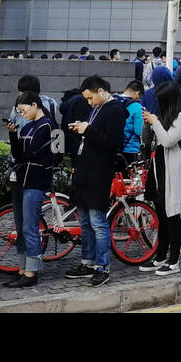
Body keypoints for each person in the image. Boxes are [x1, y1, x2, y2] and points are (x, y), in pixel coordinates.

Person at [65, 75, 126, 286]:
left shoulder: (115, 110)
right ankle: (88, 261)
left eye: (91, 98)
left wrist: (87, 130)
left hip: (99, 174)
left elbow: (112, 142)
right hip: (84, 171)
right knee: (84, 222)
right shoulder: (98, 109)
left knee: (98, 223)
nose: (89, 102)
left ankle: (102, 266)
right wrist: (84, 127)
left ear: (101, 91)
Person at [4, 92, 55, 288]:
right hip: (22, 180)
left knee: (30, 227)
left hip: (35, 180)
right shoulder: (30, 125)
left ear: (35, 105)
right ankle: (22, 269)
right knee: (21, 227)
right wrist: (12, 133)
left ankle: (31, 272)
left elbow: (31, 153)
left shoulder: (46, 125)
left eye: (23, 110)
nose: (22, 114)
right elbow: (19, 153)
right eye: (19, 111)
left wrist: (21, 151)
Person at [141, 80, 181, 275]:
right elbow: (151, 141)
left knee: (172, 216)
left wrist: (156, 123)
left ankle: (174, 261)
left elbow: (169, 140)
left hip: (172, 169)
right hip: (158, 168)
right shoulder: (164, 116)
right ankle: (160, 256)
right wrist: (149, 124)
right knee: (161, 214)